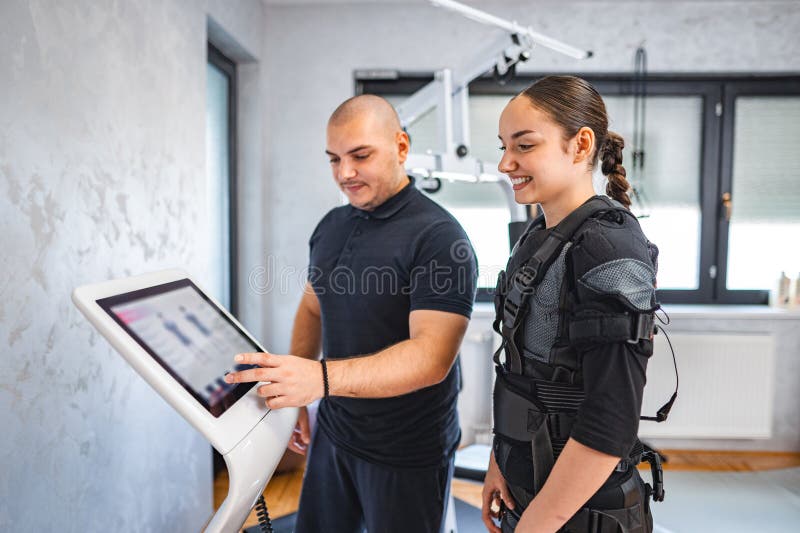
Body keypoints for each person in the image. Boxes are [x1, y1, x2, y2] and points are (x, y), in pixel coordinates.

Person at [225, 94, 478, 533]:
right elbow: (311, 307)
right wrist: (302, 393)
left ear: (401, 148)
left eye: (360, 156)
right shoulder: (332, 226)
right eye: (334, 159)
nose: (344, 173)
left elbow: (431, 358)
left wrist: (318, 379)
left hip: (407, 451)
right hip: (336, 435)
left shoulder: (439, 238)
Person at [481, 76, 661, 533]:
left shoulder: (609, 248)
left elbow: (611, 419)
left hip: (579, 513)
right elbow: (522, 375)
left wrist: (537, 524)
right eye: (503, 146)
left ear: (580, 145)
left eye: (523, 145)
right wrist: (499, 463)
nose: (505, 163)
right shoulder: (537, 238)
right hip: (528, 492)